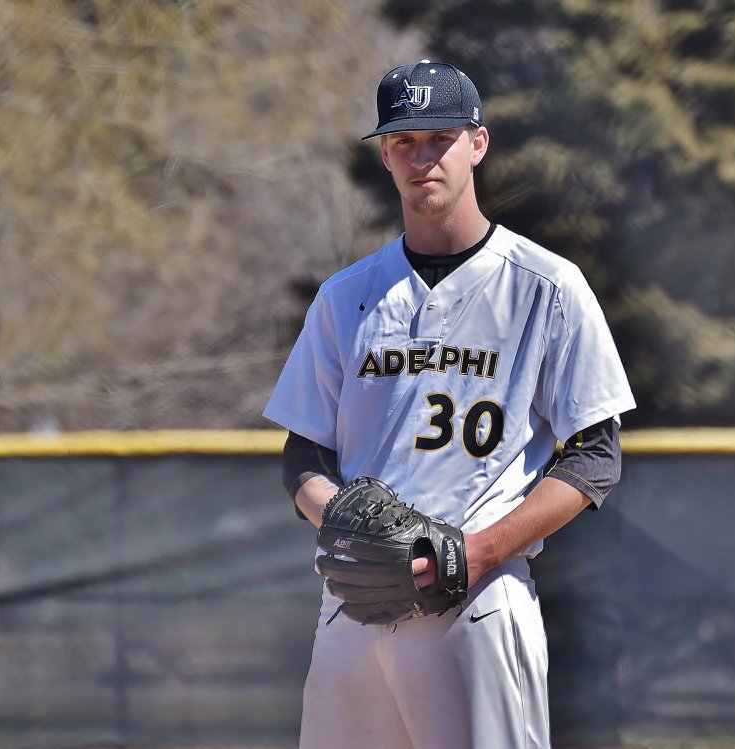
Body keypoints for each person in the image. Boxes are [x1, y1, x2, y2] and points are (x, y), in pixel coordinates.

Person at [264, 59, 635, 748]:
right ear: (384, 154)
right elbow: (303, 454)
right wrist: (346, 528)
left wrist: (479, 551)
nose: (422, 156)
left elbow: (595, 456)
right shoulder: (345, 296)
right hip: (353, 604)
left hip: (476, 602)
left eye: (440, 137)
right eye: (403, 140)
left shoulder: (547, 286)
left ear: (477, 143)